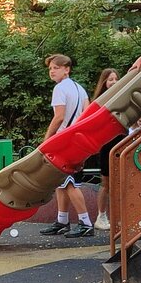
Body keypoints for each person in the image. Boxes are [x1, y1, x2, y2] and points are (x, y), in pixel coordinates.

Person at [38, 54, 94, 238]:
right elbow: (87, 116)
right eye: (50, 69)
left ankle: (86, 223)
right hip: (78, 140)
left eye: (56, 68)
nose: (52, 71)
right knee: (61, 182)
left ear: (66, 69)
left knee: (70, 184)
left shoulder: (60, 88)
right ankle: (62, 221)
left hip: (64, 141)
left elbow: (59, 117)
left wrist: (47, 139)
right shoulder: (80, 89)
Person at [91, 67, 124, 232]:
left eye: (116, 79)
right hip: (106, 143)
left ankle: (120, 218)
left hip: (121, 140)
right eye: (110, 79)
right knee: (106, 181)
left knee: (120, 181)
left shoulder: (123, 97)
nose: (114, 82)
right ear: (104, 82)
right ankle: (101, 216)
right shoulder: (100, 101)